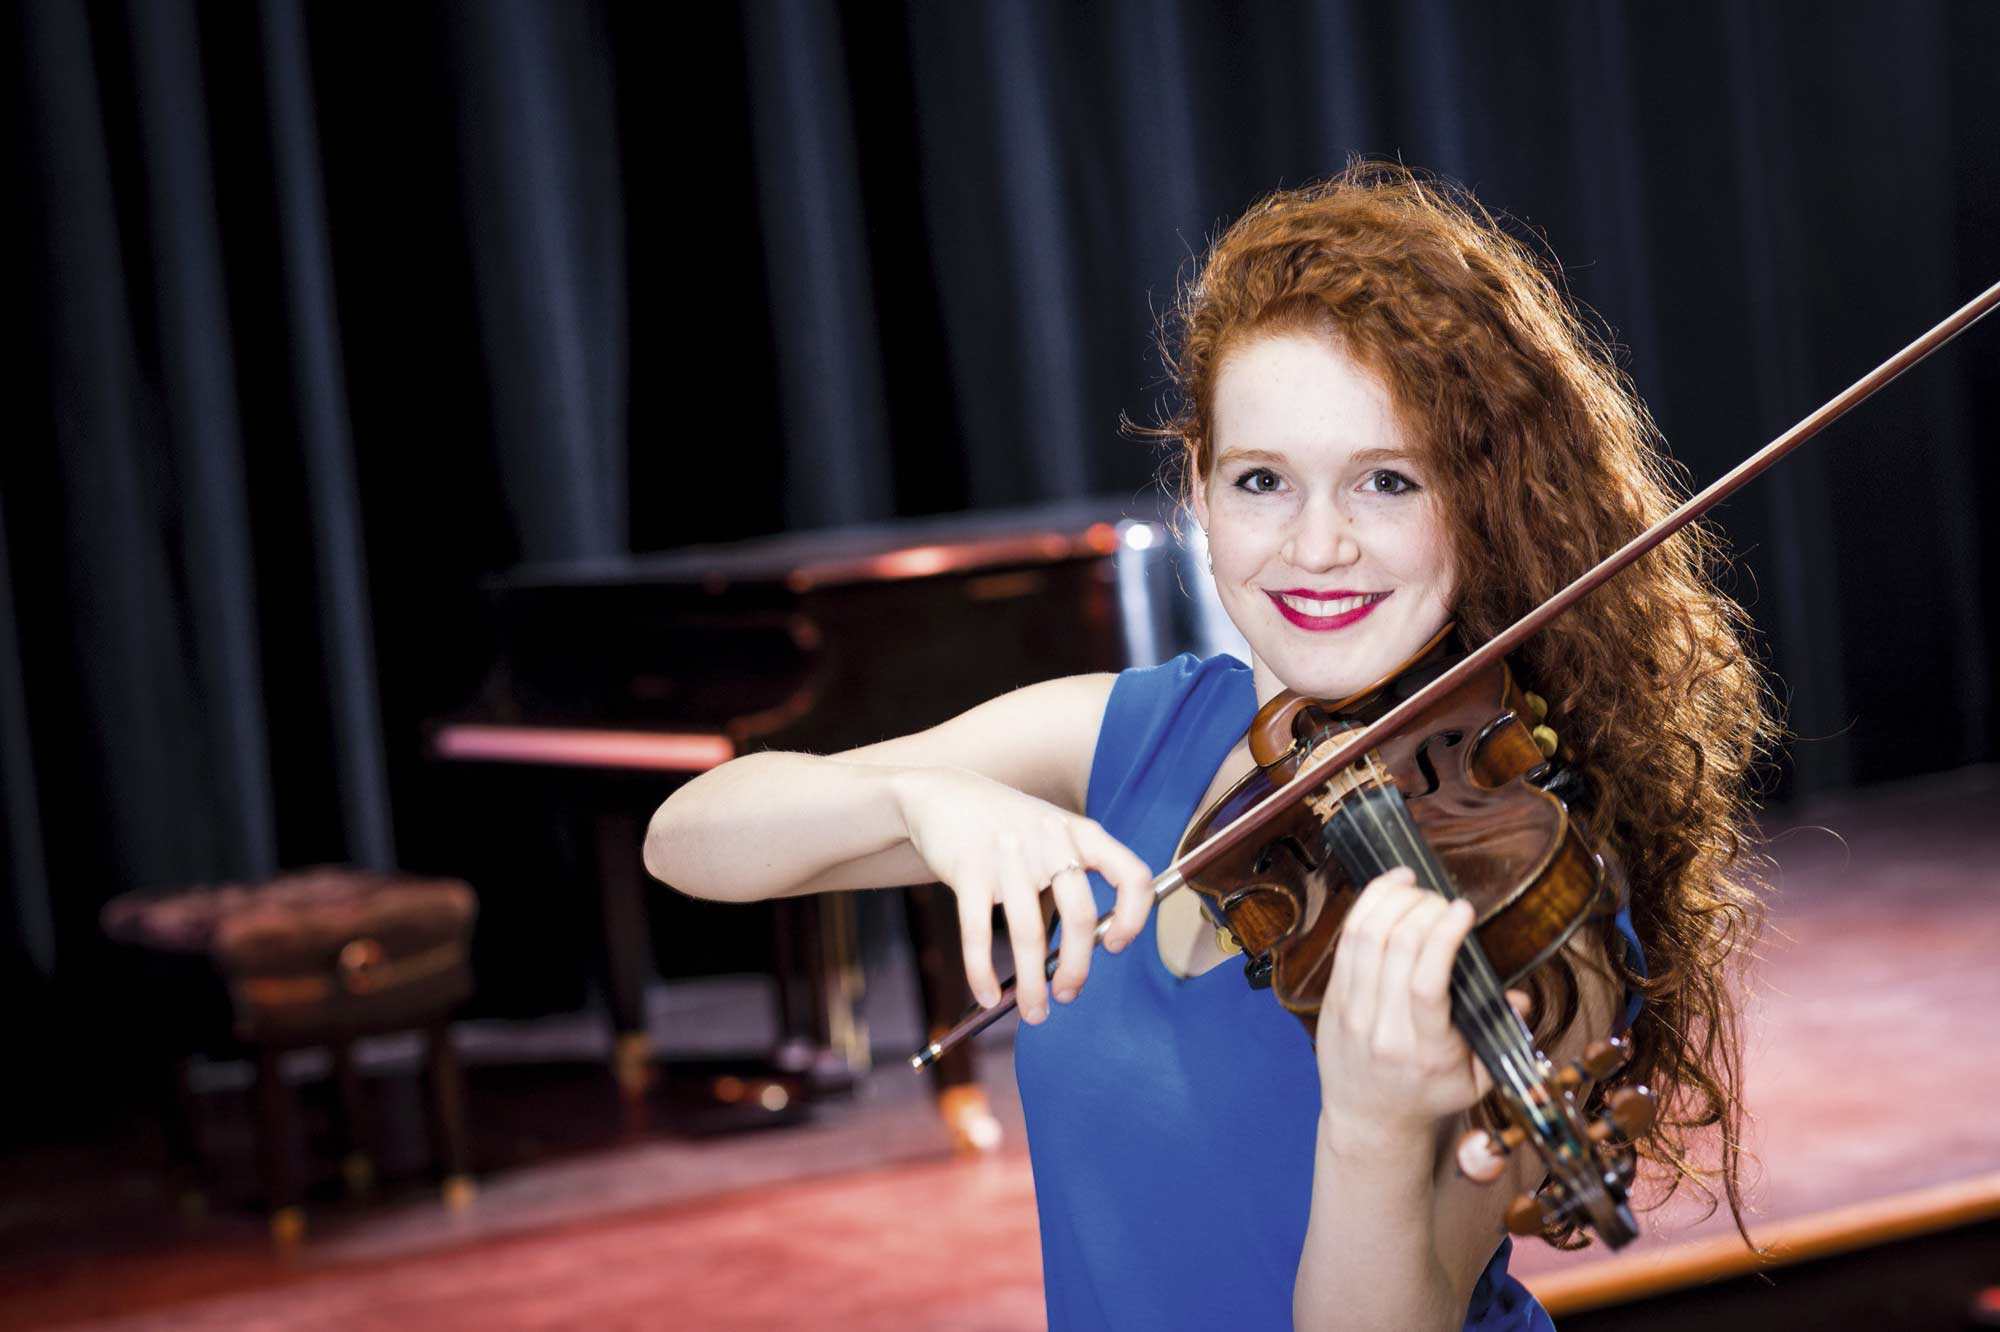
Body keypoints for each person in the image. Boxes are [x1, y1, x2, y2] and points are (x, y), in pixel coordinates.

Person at [644, 161, 1771, 1331]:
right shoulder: (1129, 735)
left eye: (1385, 481)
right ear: (1197, 491)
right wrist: (923, 800)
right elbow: (691, 840)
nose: (1317, 545)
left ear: (1477, 502)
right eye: (1261, 481)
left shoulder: (1526, 907)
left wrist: (1374, 1133)